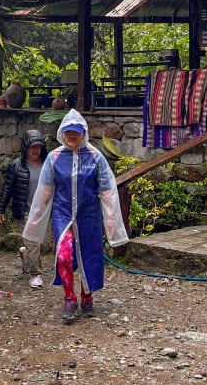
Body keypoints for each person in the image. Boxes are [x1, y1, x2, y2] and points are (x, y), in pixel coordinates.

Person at [22, 110, 129, 323]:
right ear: (62, 133)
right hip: (63, 215)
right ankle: (69, 298)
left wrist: (111, 219)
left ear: (83, 133)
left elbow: (107, 190)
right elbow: (45, 190)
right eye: (68, 132)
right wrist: (35, 219)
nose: (72, 135)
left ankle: (87, 297)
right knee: (63, 256)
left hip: (89, 215)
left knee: (88, 256)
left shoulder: (95, 157)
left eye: (76, 132)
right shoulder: (54, 158)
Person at [0, 129, 49, 288]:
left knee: (42, 245)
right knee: (33, 243)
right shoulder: (16, 166)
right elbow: (7, 189)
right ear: (26, 148)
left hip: (43, 212)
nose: (36, 150)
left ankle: (26, 256)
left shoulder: (47, 164)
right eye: (33, 147)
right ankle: (36, 274)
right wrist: (0, 209)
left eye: (39, 147)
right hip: (24, 211)